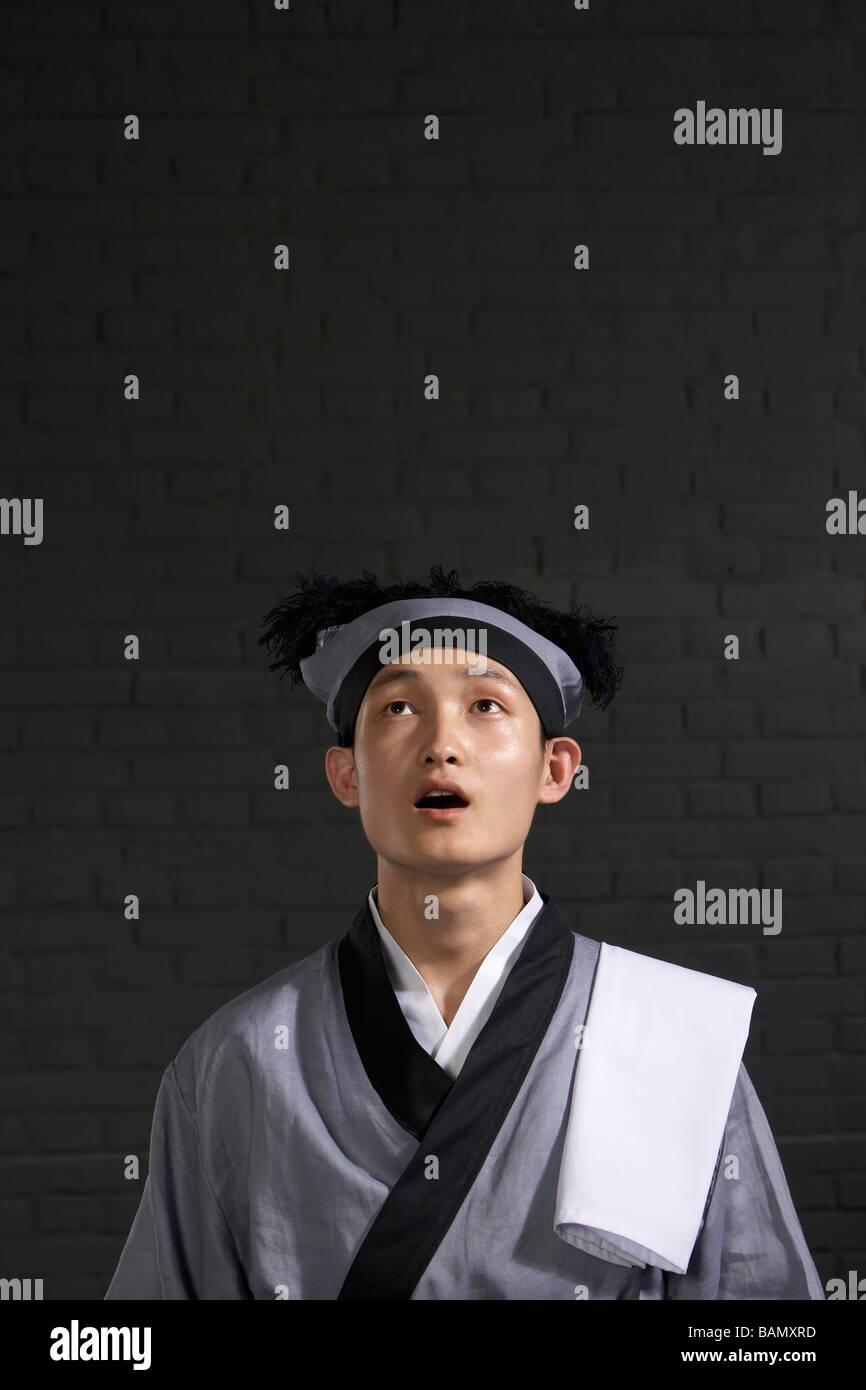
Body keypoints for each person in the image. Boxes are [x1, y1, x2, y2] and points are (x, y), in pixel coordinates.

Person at [104, 566, 824, 1300]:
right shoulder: (238, 1060)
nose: (442, 743)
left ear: (556, 768)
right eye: (398, 709)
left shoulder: (672, 1040)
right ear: (345, 773)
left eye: (485, 704)